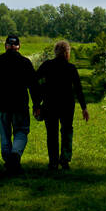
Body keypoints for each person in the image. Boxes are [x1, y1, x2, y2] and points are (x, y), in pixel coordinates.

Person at [0, 33, 40, 174]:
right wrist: (36, 105)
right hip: (20, 105)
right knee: (21, 131)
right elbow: (33, 85)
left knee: (5, 134)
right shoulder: (25, 62)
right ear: (19, 47)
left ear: (6, 46)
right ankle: (15, 156)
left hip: (1, 105)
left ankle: (9, 161)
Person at [34, 40, 88, 170]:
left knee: (51, 133)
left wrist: (37, 101)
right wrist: (84, 108)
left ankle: (53, 162)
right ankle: (65, 159)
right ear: (67, 53)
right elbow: (78, 89)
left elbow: (34, 80)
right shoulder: (71, 68)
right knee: (67, 131)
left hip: (49, 103)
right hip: (67, 104)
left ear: (55, 52)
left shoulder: (47, 65)